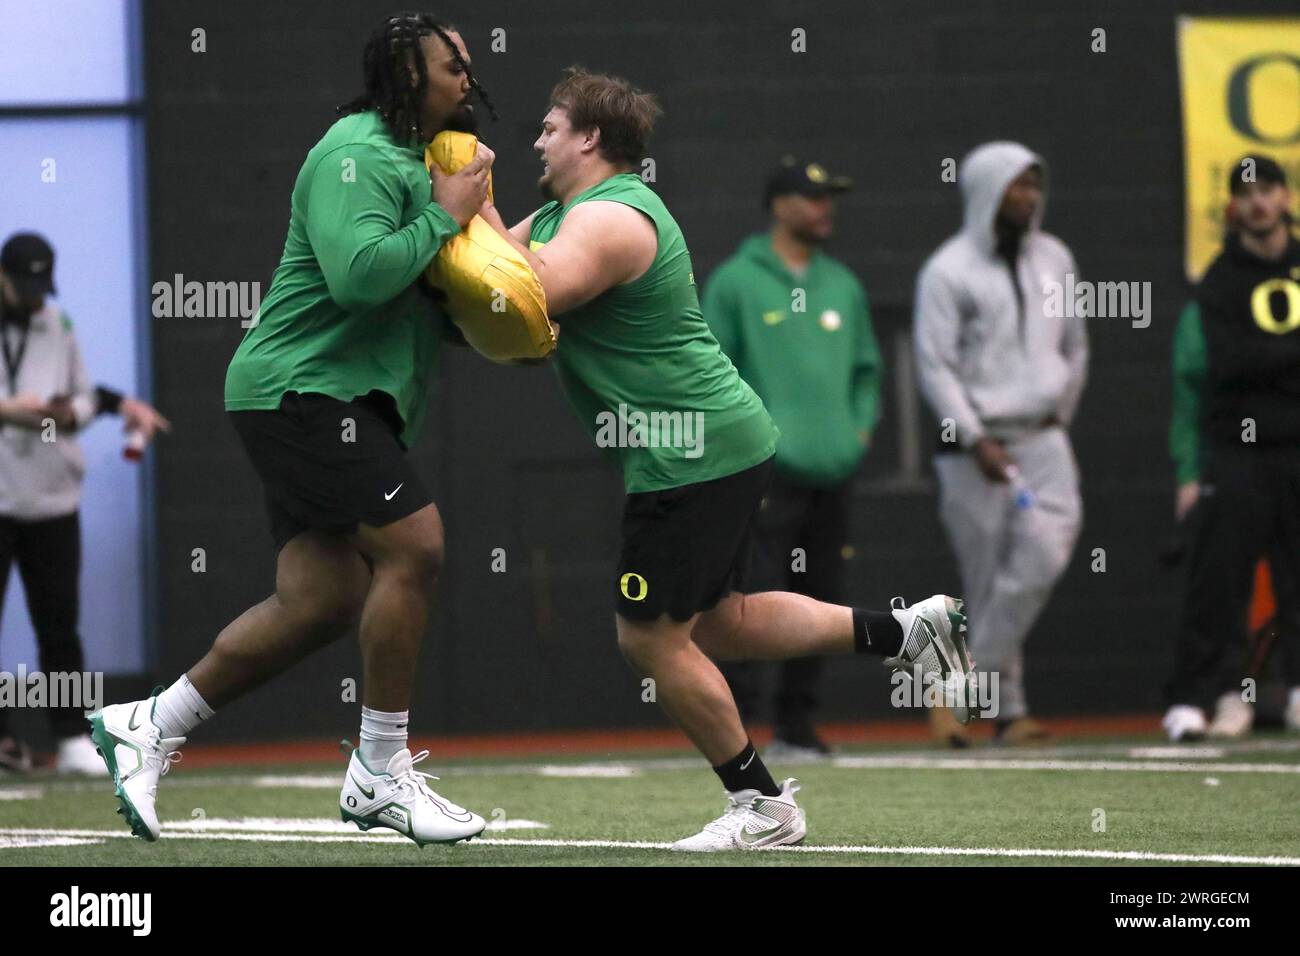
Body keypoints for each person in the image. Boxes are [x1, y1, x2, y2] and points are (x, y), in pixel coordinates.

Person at [477, 67, 973, 851]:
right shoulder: (561, 213)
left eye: (549, 126)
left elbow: (525, 292)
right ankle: (907, 632)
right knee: (721, 623)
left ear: (590, 138)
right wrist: (459, 211)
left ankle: (762, 805)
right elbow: (483, 278)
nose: (536, 139)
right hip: (713, 444)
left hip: (692, 449)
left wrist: (456, 201)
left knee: (647, 638)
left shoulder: (610, 219)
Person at [89, 13, 496, 845]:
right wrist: (448, 215)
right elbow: (357, 278)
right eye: (450, 62)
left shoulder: (426, 164)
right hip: (302, 391)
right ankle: (381, 770)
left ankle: (151, 724)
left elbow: (438, 296)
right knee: (415, 547)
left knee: (322, 598)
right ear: (409, 77)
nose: (467, 73)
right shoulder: (358, 153)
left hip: (331, 398)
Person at [704, 157, 882, 759]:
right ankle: (738, 732)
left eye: (830, 196)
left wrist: (856, 432)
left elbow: (867, 373)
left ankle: (798, 728)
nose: (824, 207)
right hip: (764, 474)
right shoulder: (735, 282)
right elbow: (712, 369)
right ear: (777, 203)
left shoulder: (844, 285)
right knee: (752, 599)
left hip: (835, 475)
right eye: (812, 196)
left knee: (824, 596)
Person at [913, 141, 1088, 747]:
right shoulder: (948, 269)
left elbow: (1075, 347)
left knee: (1042, 557)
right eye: (1016, 186)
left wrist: (1055, 413)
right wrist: (976, 436)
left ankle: (952, 692)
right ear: (987, 190)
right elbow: (935, 367)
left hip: (1042, 441)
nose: (1028, 197)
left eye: (1035, 185)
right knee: (987, 579)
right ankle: (1009, 713)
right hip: (976, 451)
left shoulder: (1056, 258)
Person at [0, 232, 170, 775]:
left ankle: (71, 735)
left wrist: (83, 409)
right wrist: (12, 408)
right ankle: (4, 741)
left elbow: (82, 396)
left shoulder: (58, 324)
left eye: (39, 287)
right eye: (23, 286)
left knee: (59, 623)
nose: (34, 299)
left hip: (52, 496)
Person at [1162, 155, 1300, 742]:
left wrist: (1261, 363)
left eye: (1268, 189)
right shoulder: (1217, 285)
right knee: (1218, 585)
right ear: (1232, 207)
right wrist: (1190, 472)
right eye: (1247, 192)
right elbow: (1203, 377)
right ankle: (1205, 698)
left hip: (1296, 447)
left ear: (1286, 197)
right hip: (1235, 452)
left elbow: (1248, 361)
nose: (1259, 202)